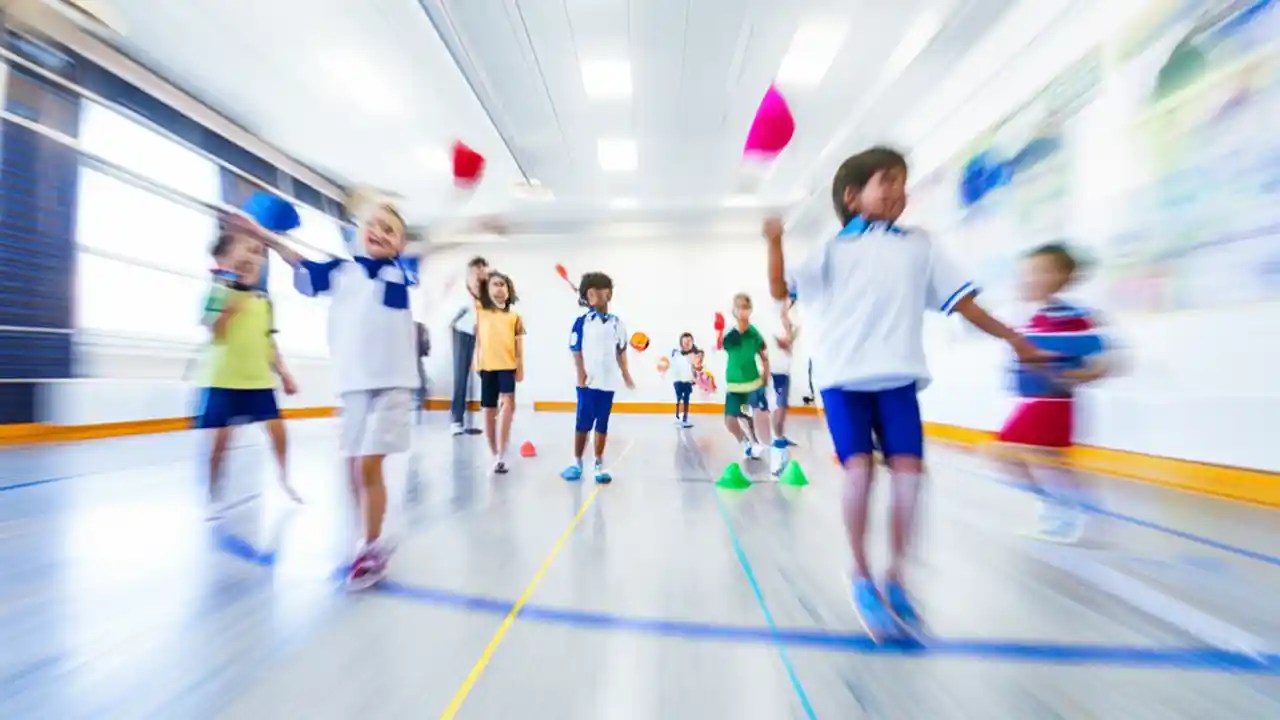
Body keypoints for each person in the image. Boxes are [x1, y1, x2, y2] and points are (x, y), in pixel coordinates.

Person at [764, 146, 1049, 641]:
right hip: (842, 380)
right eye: (887, 181)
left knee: (910, 479)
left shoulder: (921, 245)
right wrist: (775, 240)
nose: (899, 191)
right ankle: (859, 573)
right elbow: (778, 287)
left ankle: (895, 575)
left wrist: (1014, 337)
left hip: (897, 378)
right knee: (858, 474)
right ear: (853, 197)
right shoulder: (833, 250)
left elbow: (965, 304)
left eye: (903, 182)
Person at [267, 202, 418, 590]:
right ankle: (369, 533)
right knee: (354, 468)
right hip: (352, 387)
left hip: (393, 385)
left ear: (400, 246)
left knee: (369, 465)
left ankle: (371, 547)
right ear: (358, 231)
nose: (381, 233)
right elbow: (296, 261)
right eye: (375, 225)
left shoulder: (399, 273)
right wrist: (261, 235)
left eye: (391, 231)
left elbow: (428, 253)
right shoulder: (340, 271)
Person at [996, 242, 1109, 543]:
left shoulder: (1070, 316)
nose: (1028, 279)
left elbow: (1102, 361)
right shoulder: (1040, 317)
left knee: (1014, 455)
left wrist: (1070, 376)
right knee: (1030, 458)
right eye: (1026, 273)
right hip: (1033, 401)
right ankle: (1064, 506)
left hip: (1051, 401)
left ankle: (1064, 510)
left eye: (1037, 272)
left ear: (1060, 276)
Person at [196, 229, 301, 520]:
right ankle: (213, 494)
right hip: (225, 380)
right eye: (246, 250)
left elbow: (269, 342)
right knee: (220, 441)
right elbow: (212, 328)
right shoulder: (217, 292)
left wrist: (284, 373)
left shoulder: (264, 301)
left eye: (258, 253)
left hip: (258, 381)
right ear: (225, 258)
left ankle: (284, 479)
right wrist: (228, 307)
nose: (253, 257)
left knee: (279, 431)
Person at [561, 272, 635, 483]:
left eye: (598, 290)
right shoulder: (581, 322)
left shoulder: (617, 324)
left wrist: (626, 374)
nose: (592, 293)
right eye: (589, 291)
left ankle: (598, 463)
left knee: (602, 423)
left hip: (608, 382)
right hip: (588, 384)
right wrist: (581, 373)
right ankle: (577, 462)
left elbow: (621, 352)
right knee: (583, 423)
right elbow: (576, 349)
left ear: (608, 294)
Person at [720, 293, 788, 476]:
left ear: (750, 310)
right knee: (730, 421)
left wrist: (765, 375)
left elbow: (763, 355)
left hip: (753, 384)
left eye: (746, 307)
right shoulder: (731, 335)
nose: (743, 310)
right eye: (739, 307)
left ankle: (766, 446)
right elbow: (724, 344)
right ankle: (746, 442)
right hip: (735, 385)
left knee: (757, 416)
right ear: (734, 311)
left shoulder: (754, 334)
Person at [474, 270, 524, 474]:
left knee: (508, 405)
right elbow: (478, 341)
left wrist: (520, 368)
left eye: (503, 284)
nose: (499, 288)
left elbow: (519, 346)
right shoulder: (480, 312)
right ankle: (494, 452)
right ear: (487, 289)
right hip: (487, 367)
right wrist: (475, 361)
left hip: (507, 366)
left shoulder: (515, 317)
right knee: (489, 410)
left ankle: (502, 452)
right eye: (495, 284)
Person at [449, 257, 489, 436]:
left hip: (479, 336)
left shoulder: (486, 295)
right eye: (476, 272)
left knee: (482, 376)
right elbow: (450, 318)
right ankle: (456, 420)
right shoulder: (460, 294)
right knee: (461, 378)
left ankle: (476, 421)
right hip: (461, 335)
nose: (480, 276)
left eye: (483, 272)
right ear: (469, 273)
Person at [768, 298, 800, 447]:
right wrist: (790, 334)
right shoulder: (775, 324)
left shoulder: (789, 323)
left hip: (784, 370)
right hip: (776, 371)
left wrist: (791, 332)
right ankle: (777, 438)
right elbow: (783, 344)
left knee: (783, 406)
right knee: (779, 406)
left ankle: (779, 436)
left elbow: (789, 345)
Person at [669, 332, 697, 428]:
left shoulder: (694, 355)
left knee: (686, 399)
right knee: (679, 399)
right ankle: (679, 418)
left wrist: (695, 377)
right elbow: (674, 365)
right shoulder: (676, 353)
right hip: (678, 381)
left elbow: (695, 368)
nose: (687, 343)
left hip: (688, 381)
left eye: (689, 341)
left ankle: (684, 419)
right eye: (685, 341)